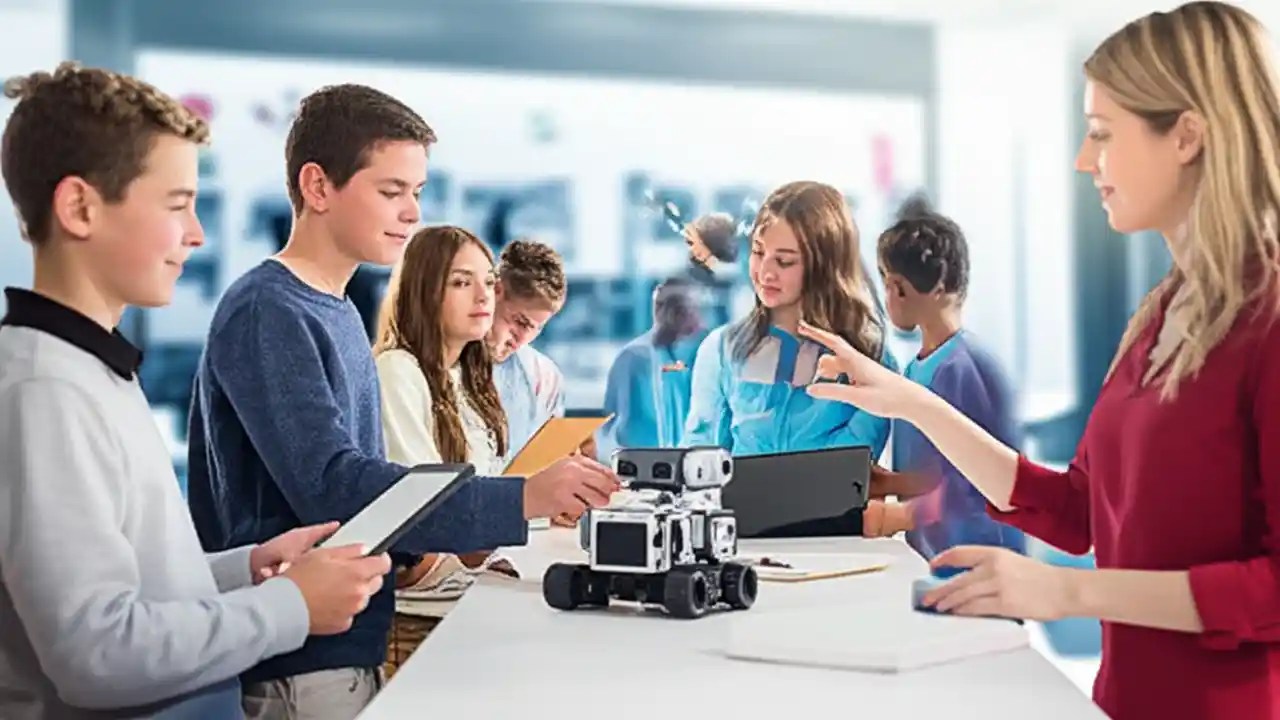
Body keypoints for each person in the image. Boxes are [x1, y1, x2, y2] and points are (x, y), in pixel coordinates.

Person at [803, 3, 1280, 717]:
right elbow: (1078, 510)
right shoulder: (1160, 316)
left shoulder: (1267, 320)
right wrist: (908, 400)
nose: (1086, 161)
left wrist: (1066, 591)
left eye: (1101, 135)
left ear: (1186, 135)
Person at [186, 83, 618, 719]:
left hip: (346, 643)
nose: (412, 213)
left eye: (416, 192)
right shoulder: (268, 310)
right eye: (391, 191)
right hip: (298, 660)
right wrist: (521, 496)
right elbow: (334, 486)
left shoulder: (334, 311)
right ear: (317, 186)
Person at [0, 62, 389, 719]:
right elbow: (96, 654)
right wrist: (290, 607)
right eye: (178, 205)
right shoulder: (44, 392)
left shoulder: (90, 372)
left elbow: (129, 585)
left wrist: (246, 569)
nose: (198, 234)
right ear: (79, 208)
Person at [683, 180, 897, 458]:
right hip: (736, 503)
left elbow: (854, 468)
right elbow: (699, 462)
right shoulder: (722, 350)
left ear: (824, 266)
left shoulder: (871, 361)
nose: (765, 272)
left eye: (784, 261)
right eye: (759, 252)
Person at [865, 195, 1024, 559]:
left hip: (980, 568)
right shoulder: (918, 368)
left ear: (936, 285)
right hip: (936, 562)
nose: (890, 296)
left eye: (896, 285)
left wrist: (897, 517)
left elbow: (975, 489)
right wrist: (892, 483)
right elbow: (945, 473)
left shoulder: (963, 369)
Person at [373, 226, 516, 604]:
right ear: (423, 291)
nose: (484, 295)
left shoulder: (464, 378)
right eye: (461, 282)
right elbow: (421, 510)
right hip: (421, 590)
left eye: (488, 281)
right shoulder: (397, 370)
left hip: (461, 573)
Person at [598, 276, 705, 458]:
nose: (698, 317)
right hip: (642, 461)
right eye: (690, 309)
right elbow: (618, 421)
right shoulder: (635, 357)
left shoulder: (697, 354)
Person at [489, 239, 571, 463]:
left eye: (538, 328)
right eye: (520, 322)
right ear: (496, 292)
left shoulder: (544, 377)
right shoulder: (446, 363)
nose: (522, 339)